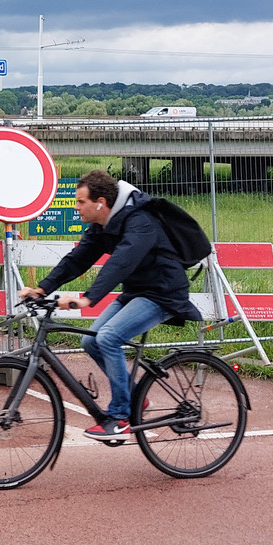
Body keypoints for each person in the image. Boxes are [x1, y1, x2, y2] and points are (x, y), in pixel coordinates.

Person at [16, 169, 197, 440]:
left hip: (163, 293)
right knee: (91, 341)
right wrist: (42, 289)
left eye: (80, 201)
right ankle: (136, 397)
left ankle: (121, 417)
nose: (76, 207)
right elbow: (77, 259)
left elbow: (121, 261)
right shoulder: (101, 227)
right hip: (137, 292)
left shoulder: (140, 220)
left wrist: (88, 299)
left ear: (100, 202)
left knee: (109, 337)